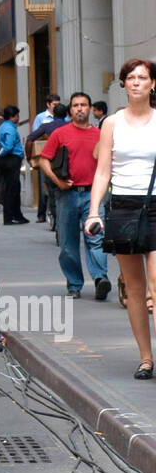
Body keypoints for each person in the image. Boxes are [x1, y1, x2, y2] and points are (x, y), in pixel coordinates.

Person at [86, 59, 156, 378]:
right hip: (124, 206)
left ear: (153, 84)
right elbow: (103, 171)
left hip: (155, 204)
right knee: (134, 289)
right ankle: (146, 358)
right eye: (131, 77)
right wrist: (93, 211)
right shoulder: (112, 123)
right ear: (123, 84)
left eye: (143, 77)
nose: (137, 82)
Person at [38, 93, 110, 301]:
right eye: (76, 105)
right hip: (66, 196)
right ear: (70, 110)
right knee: (68, 243)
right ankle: (74, 284)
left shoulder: (100, 134)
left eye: (84, 105)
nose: (80, 109)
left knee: (96, 239)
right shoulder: (60, 134)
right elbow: (44, 160)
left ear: (90, 109)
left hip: (93, 195)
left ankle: (100, 279)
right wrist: (57, 181)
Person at [26, 102, 69, 229]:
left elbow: (29, 140)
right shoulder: (71, 125)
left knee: (52, 193)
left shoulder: (47, 126)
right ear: (67, 114)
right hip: (69, 164)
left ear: (53, 114)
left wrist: (29, 157)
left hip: (51, 164)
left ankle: (56, 221)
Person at [0, 105, 28, 225]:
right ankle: (10, 216)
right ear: (13, 116)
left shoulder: (3, 127)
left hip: (7, 159)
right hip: (11, 159)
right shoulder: (10, 128)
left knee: (13, 187)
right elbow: (8, 146)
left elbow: (0, 144)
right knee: (11, 189)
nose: (19, 118)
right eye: (17, 115)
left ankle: (17, 215)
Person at [29, 94, 60, 221]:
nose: (56, 107)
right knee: (44, 185)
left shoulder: (64, 119)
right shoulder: (41, 118)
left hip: (59, 156)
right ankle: (42, 213)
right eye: (54, 105)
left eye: (58, 105)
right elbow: (34, 136)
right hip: (45, 155)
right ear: (48, 105)